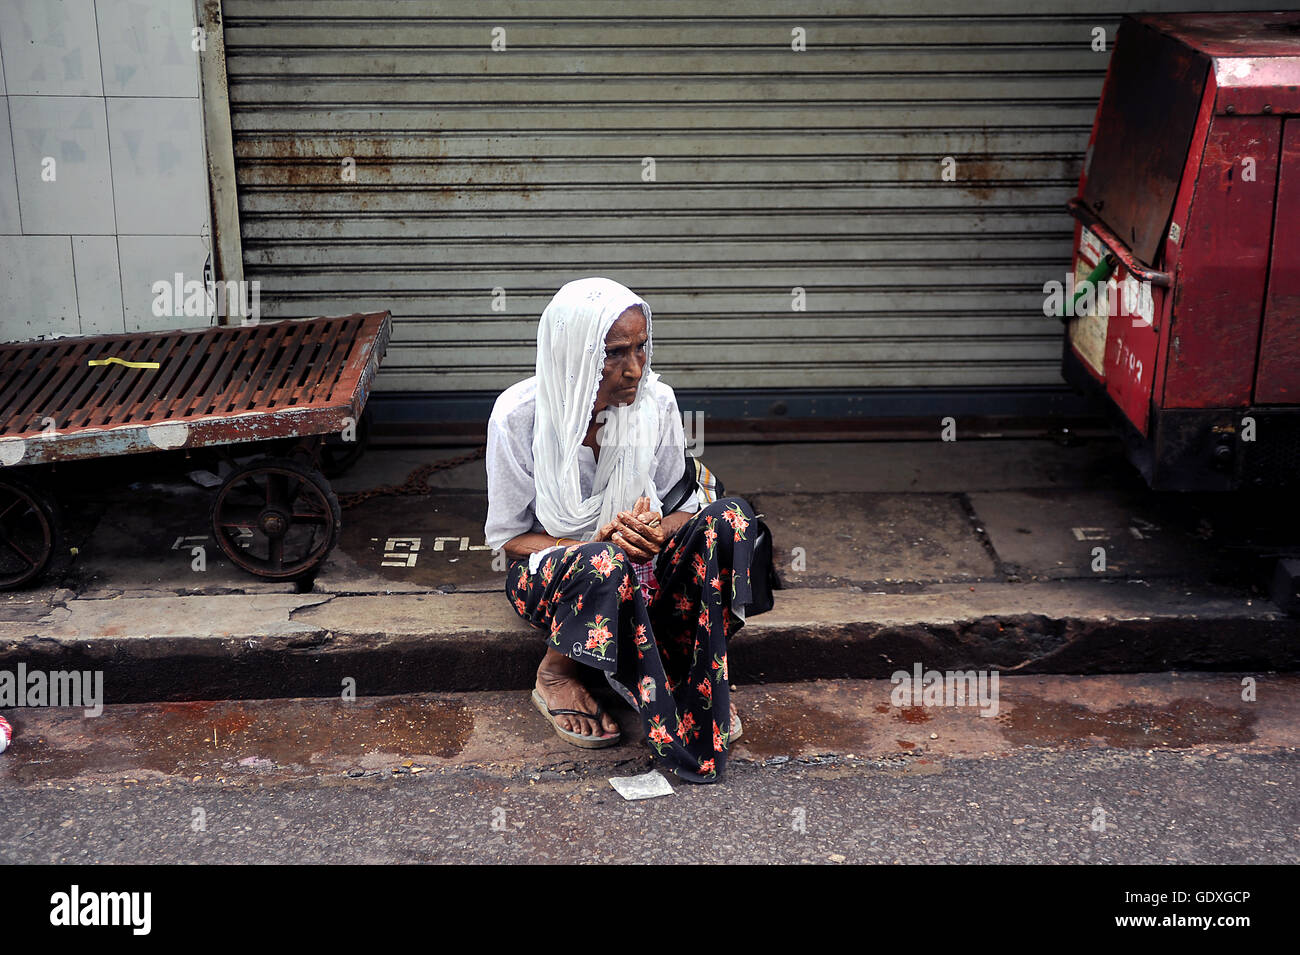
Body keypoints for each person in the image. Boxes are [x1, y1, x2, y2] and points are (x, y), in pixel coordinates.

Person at [483, 277, 763, 783]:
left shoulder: (656, 403)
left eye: (641, 347)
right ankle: (557, 671)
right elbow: (510, 538)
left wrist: (657, 530)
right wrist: (596, 544)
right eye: (613, 353)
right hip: (562, 578)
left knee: (730, 519)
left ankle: (695, 665)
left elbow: (684, 502)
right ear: (575, 353)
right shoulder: (518, 416)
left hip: (644, 566)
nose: (634, 369)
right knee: (604, 562)